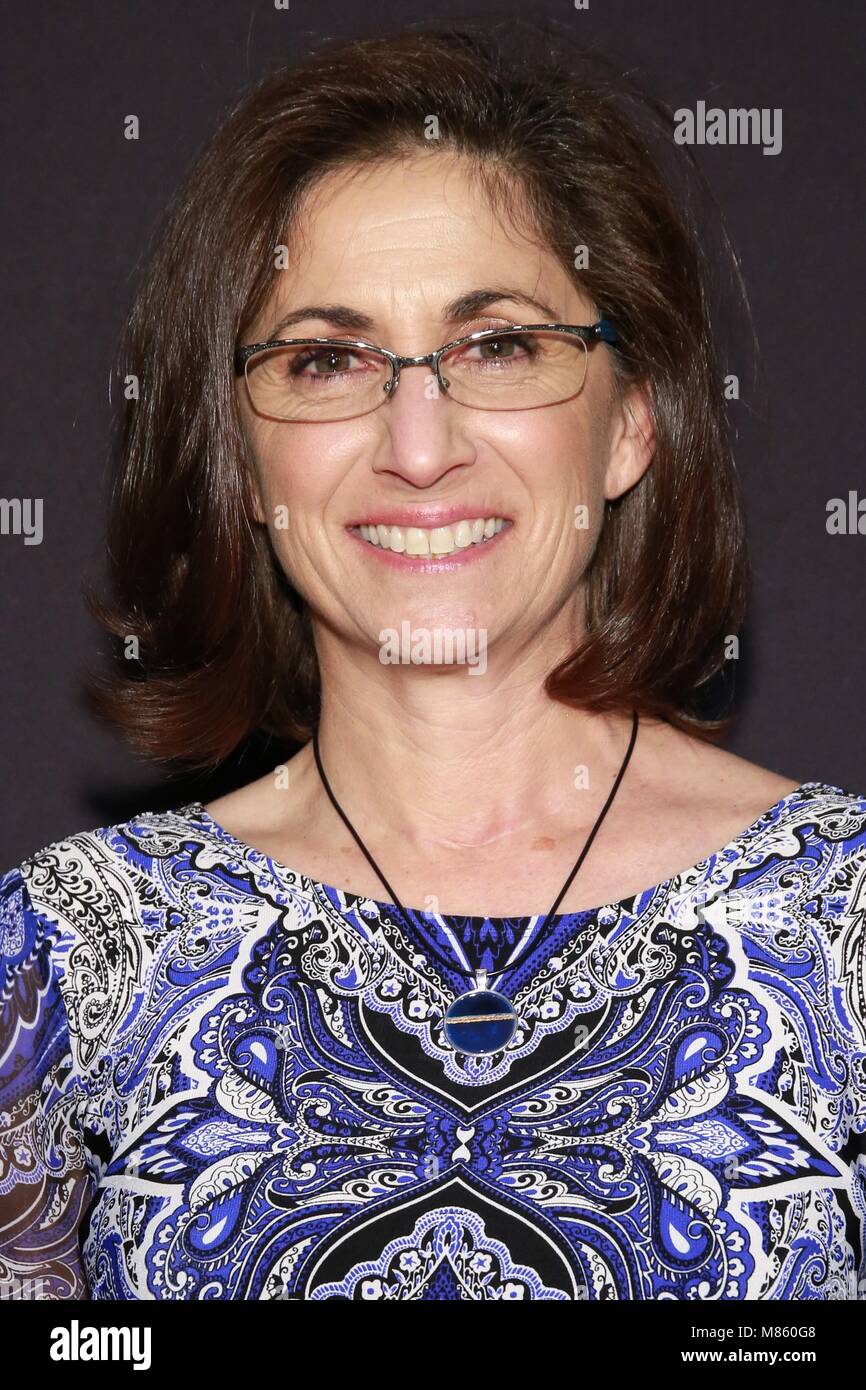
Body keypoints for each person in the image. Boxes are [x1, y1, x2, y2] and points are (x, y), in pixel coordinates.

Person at [1, 27, 864, 1303]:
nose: (418, 445)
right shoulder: (62, 960)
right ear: (237, 455)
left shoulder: (846, 926)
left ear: (630, 421)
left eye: (497, 345)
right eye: (325, 360)